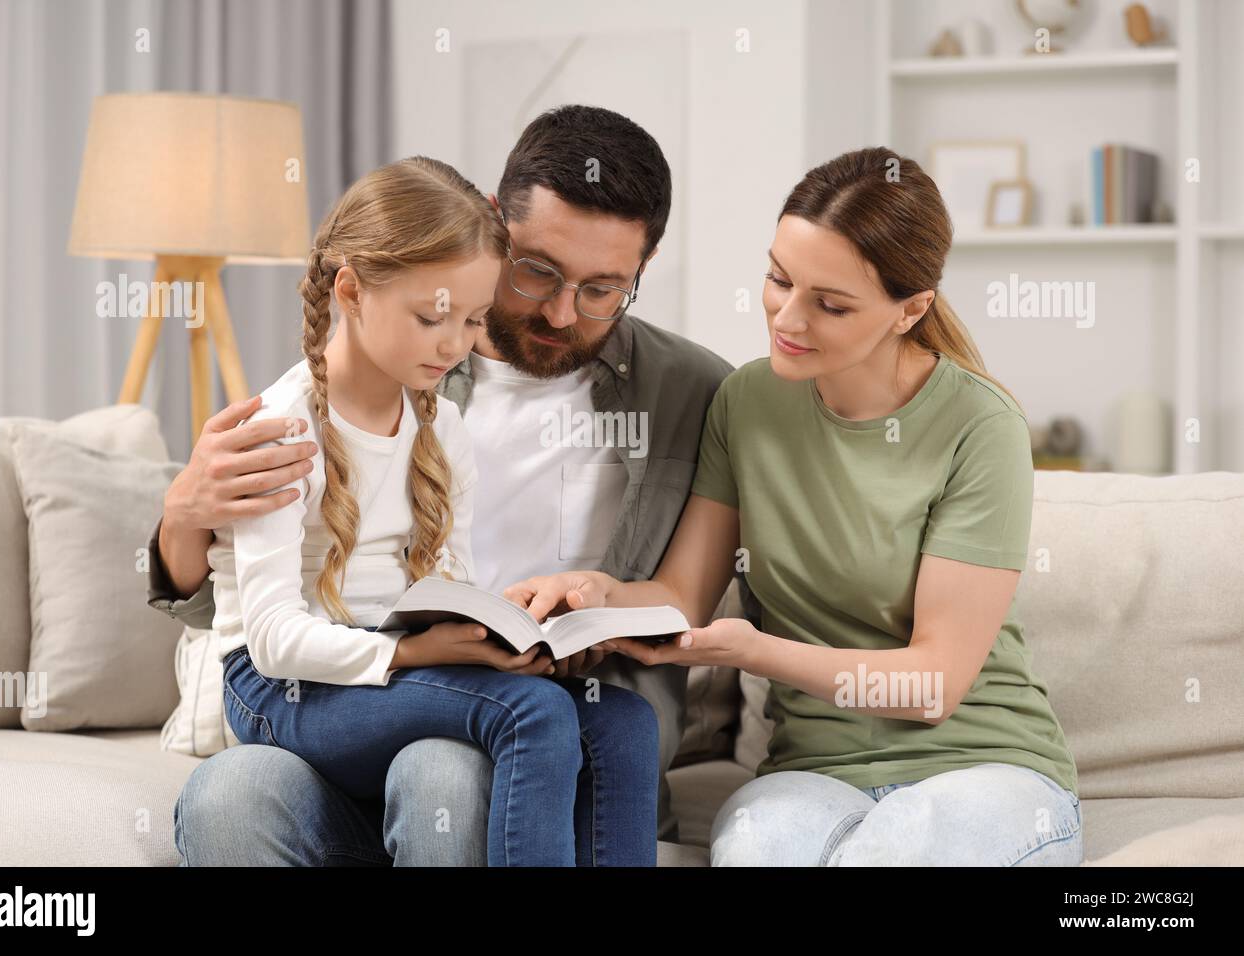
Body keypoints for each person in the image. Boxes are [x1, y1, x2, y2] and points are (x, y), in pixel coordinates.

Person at [150, 106, 734, 865]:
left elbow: (683, 601)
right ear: (494, 228)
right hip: (370, 687)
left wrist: (583, 603)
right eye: (538, 273)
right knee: (234, 795)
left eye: (602, 289)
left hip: (516, 695)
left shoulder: (692, 393)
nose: (562, 311)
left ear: (640, 274)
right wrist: (183, 516)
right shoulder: (388, 362)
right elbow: (248, 606)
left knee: (491, 757)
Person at [506, 146, 1083, 867]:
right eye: (779, 279)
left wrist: (759, 652)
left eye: (831, 304)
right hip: (812, 773)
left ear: (911, 311)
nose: (788, 316)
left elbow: (934, 683)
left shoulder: (980, 426)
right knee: (756, 852)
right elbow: (681, 597)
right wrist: (596, 592)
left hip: (980, 766)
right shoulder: (748, 401)